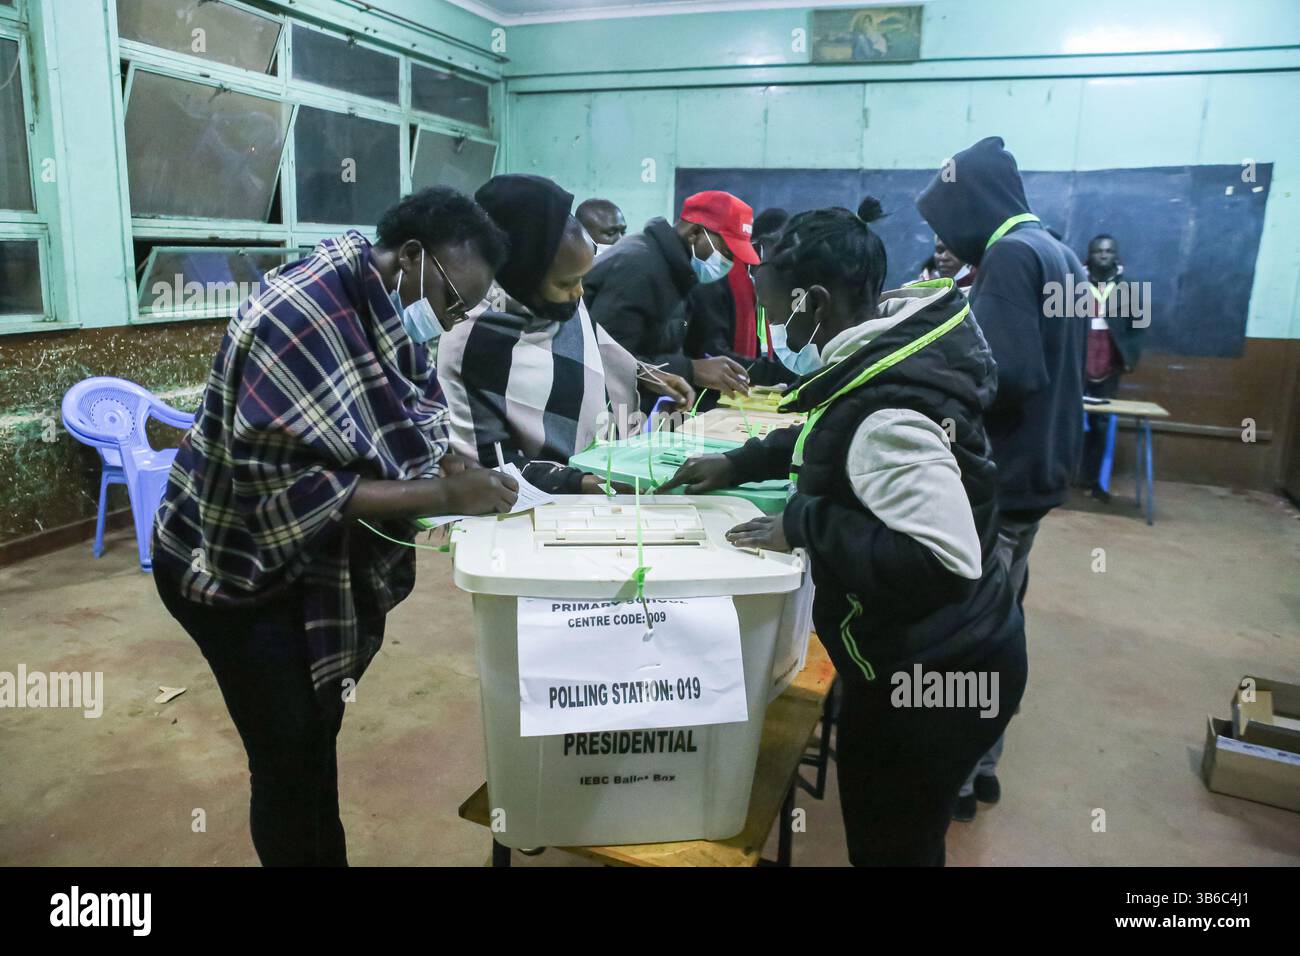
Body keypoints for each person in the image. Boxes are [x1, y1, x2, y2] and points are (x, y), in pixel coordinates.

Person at [152, 187, 520, 866]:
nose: (452, 321)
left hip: (306, 560)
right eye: (452, 303)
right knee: (288, 751)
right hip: (227, 561)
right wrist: (442, 490)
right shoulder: (295, 316)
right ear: (411, 257)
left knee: (317, 732)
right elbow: (288, 488)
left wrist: (455, 464)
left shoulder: (388, 310)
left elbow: (415, 411)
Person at [659, 207, 1026, 866]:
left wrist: (803, 524)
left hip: (936, 677)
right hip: (941, 653)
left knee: (894, 848)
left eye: (775, 312)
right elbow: (828, 432)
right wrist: (740, 462)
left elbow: (944, 562)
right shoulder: (879, 357)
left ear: (815, 302)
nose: (773, 329)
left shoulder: (892, 412)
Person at [917, 136, 1087, 822]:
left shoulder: (1013, 256)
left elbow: (1006, 373)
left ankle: (954, 774)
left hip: (1005, 476)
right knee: (1002, 619)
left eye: (943, 223)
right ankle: (983, 764)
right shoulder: (1057, 251)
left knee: (971, 632)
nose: (941, 239)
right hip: (1039, 470)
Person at [439, 174, 693, 492]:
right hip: (537, 508)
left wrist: (647, 374)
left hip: (606, 476)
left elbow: (594, 348)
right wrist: (581, 483)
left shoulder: (554, 300)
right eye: (566, 283)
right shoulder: (468, 343)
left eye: (581, 279)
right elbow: (486, 463)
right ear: (520, 270)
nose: (578, 293)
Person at [583, 190, 758, 408]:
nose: (729, 263)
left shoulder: (676, 271)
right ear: (695, 233)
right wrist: (691, 370)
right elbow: (607, 358)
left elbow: (651, 347)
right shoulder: (640, 268)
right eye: (726, 252)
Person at [684, 206, 796, 394]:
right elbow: (713, 354)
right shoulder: (715, 277)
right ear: (759, 245)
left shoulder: (753, 280)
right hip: (703, 398)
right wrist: (781, 373)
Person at [1079, 234, 1145, 501]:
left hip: (1109, 361)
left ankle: (1098, 483)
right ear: (1090, 255)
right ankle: (1066, 479)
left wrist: (1130, 358)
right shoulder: (1074, 285)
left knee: (1103, 424)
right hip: (1079, 360)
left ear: (1116, 255)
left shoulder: (1130, 288)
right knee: (1070, 421)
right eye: (1098, 251)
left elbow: (1138, 327)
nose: (1104, 255)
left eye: (1109, 251)